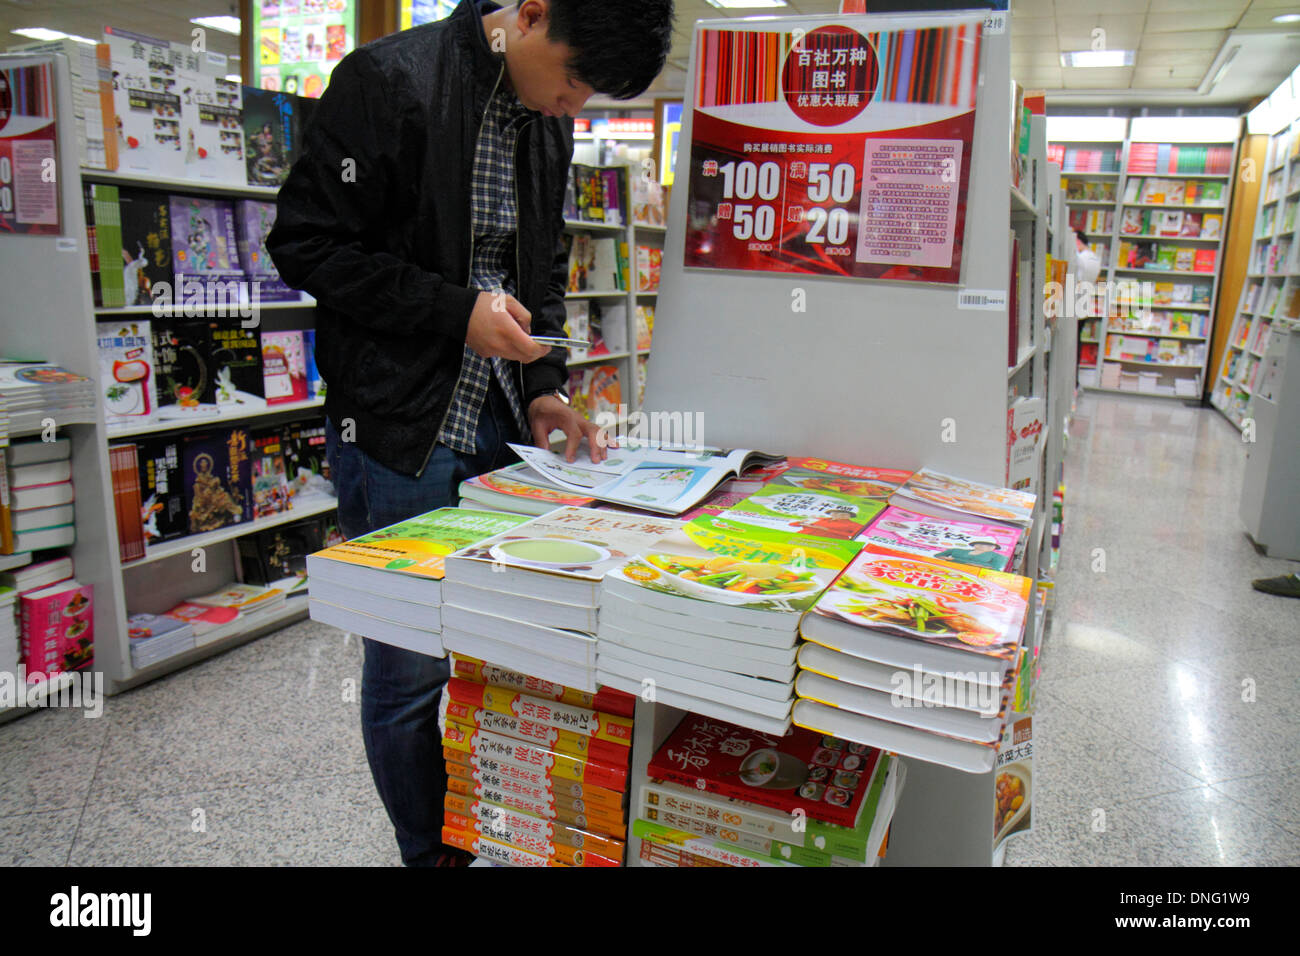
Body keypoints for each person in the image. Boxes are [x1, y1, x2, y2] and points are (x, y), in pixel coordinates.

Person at [267, 0, 675, 866]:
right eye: (573, 81)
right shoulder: (387, 83)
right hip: (401, 422)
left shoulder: (545, 124)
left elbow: (540, 268)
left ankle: (491, 833)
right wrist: (459, 315)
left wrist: (544, 388)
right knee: (411, 669)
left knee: (502, 652)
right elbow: (305, 243)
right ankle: (432, 855)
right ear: (528, 15)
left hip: (501, 427)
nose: (573, 106)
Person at [934, 537, 1005, 569]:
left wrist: (956, 560)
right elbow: (938, 555)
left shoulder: (999, 557)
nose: (985, 547)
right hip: (949, 568)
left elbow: (995, 568)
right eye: (982, 544)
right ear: (975, 545)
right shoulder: (957, 550)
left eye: (990, 546)